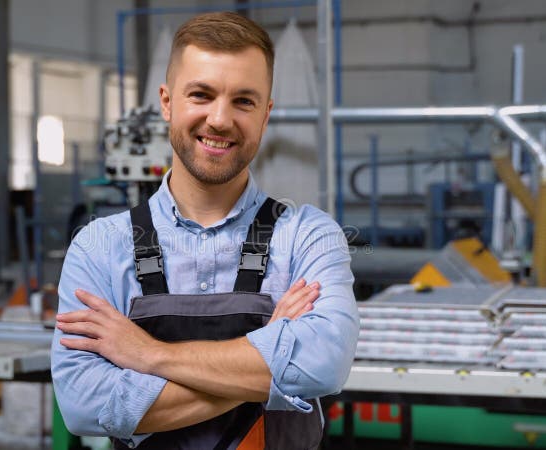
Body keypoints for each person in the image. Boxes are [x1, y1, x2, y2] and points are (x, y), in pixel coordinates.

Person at [51, 12, 359, 449]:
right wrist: (266, 361)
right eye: (201, 94)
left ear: (266, 114)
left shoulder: (309, 236)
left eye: (244, 101)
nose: (219, 119)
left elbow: (323, 366)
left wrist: (149, 354)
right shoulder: (100, 245)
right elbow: (84, 405)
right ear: (166, 102)